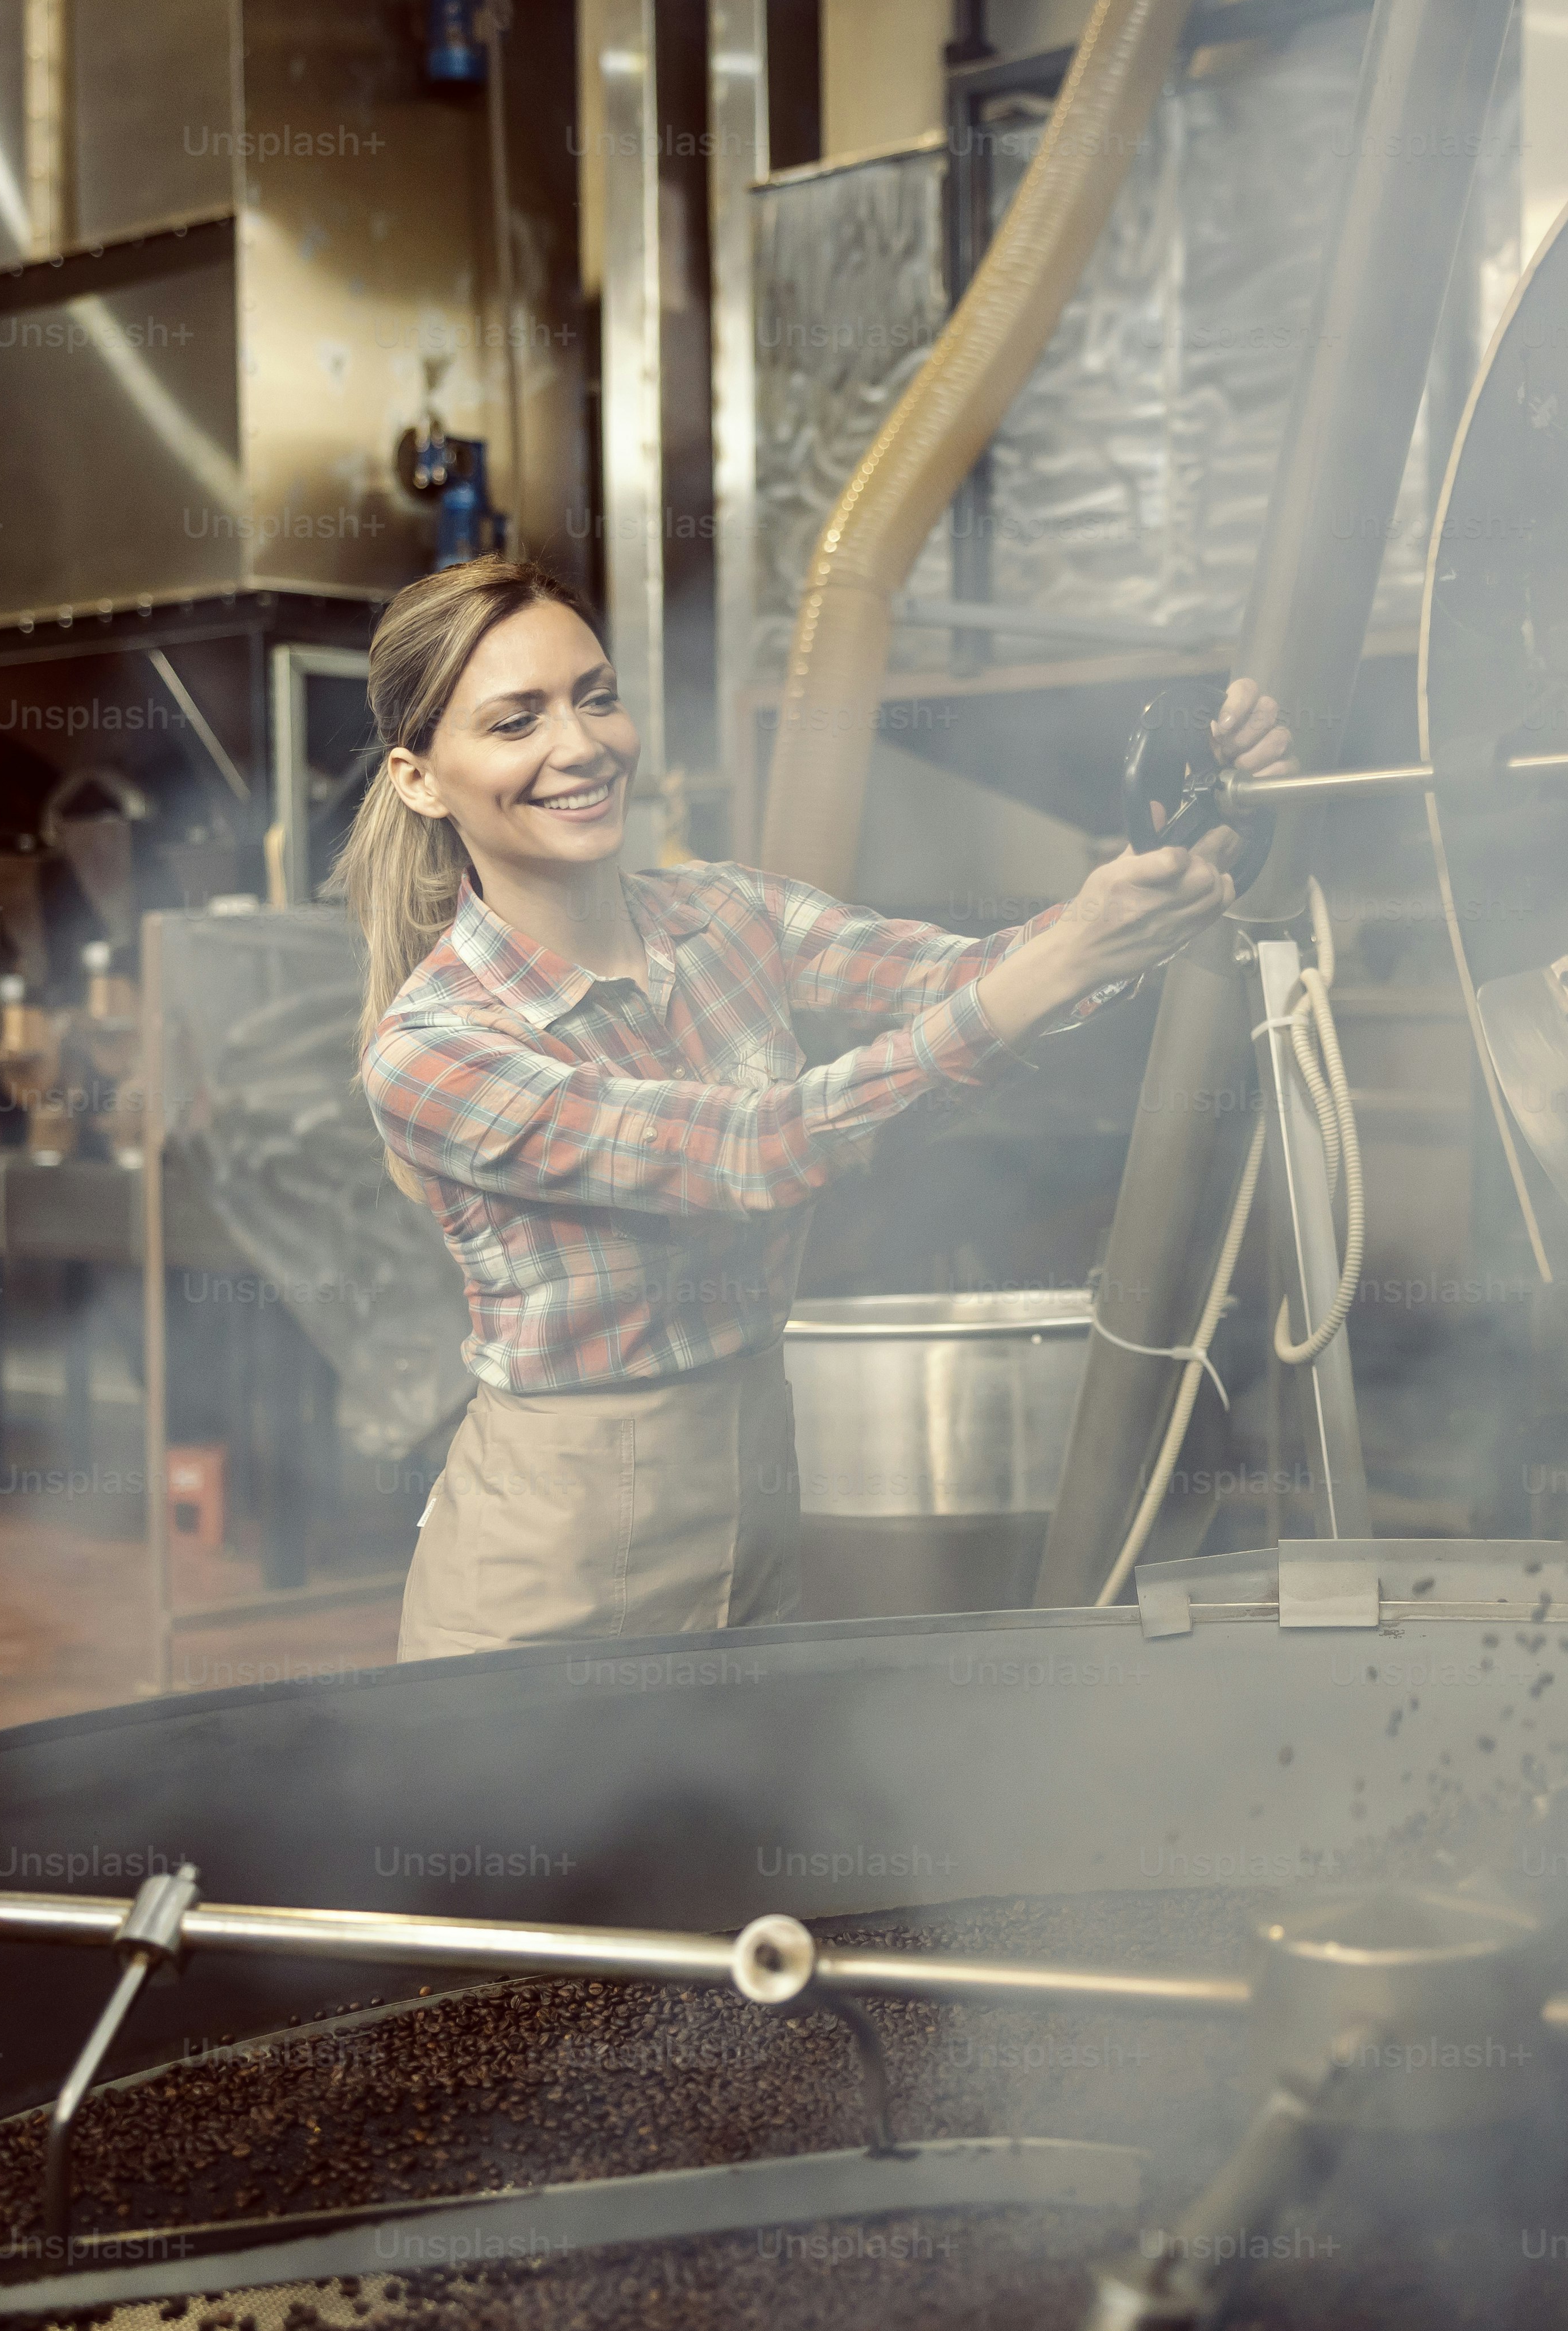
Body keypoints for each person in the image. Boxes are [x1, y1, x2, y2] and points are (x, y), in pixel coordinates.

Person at [341, 556, 1294, 1660]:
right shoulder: (431, 1048)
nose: (582, 744)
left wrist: (1179, 842)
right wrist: (1069, 956)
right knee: (554, 1838)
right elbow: (748, 1154)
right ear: (419, 777)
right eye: (516, 721)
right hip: (545, 1556)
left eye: (595, 696)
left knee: (735, 1827)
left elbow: (967, 977)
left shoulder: (730, 912)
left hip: (756, 1499)